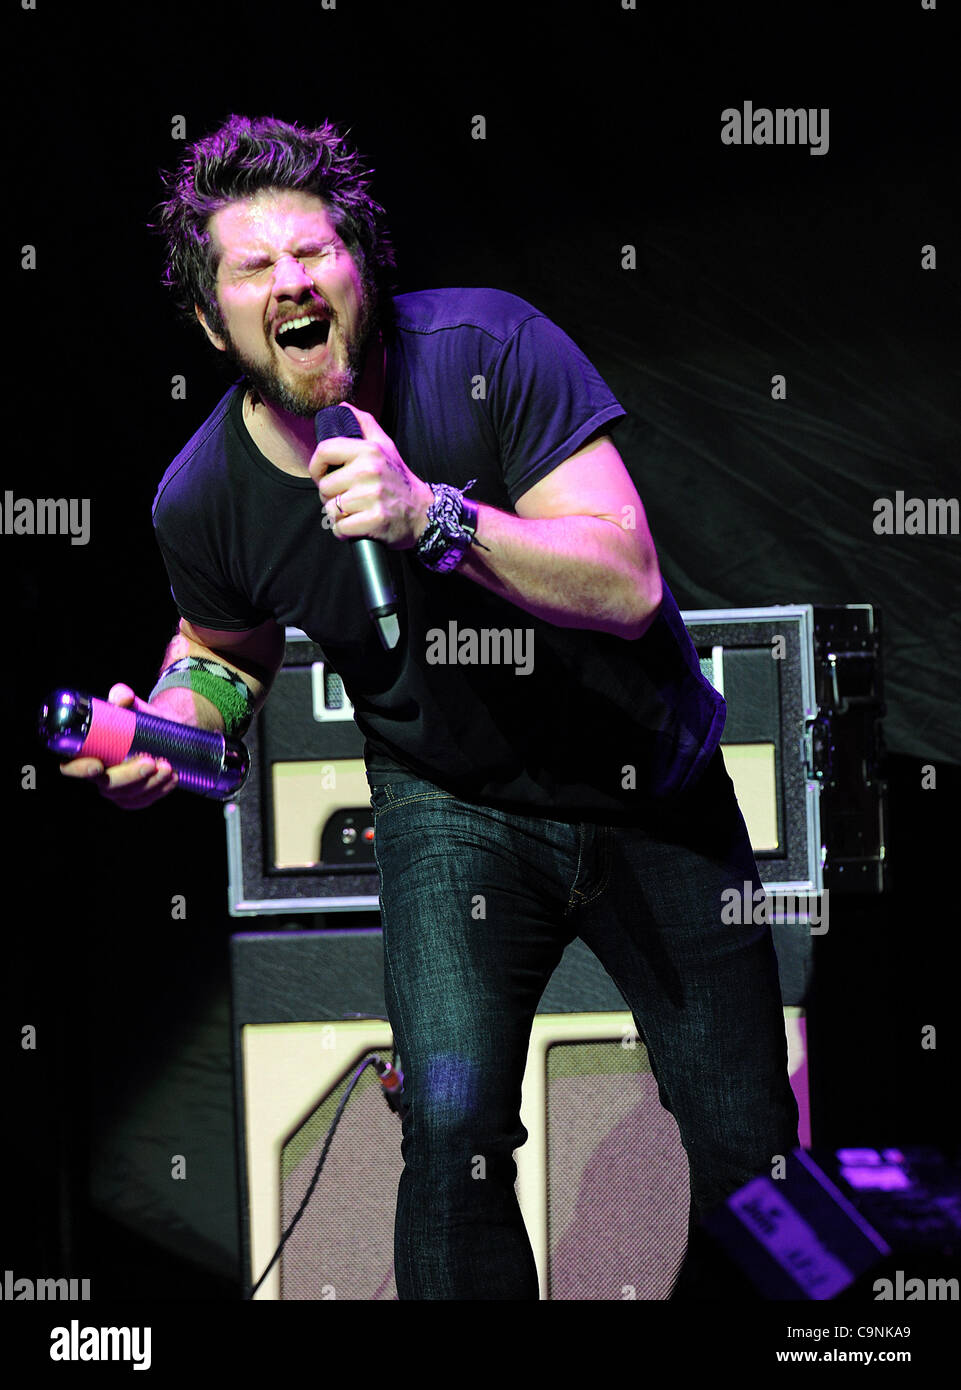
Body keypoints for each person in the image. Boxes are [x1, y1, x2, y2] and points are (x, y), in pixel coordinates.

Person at [61, 114, 798, 1300]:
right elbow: (222, 653)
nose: (293, 281)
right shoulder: (202, 496)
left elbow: (626, 578)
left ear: (363, 265)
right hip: (449, 802)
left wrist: (433, 516)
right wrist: (172, 730)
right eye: (253, 268)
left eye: (316, 251)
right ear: (212, 321)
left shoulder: (490, 346)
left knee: (747, 1149)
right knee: (449, 1131)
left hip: (646, 780)